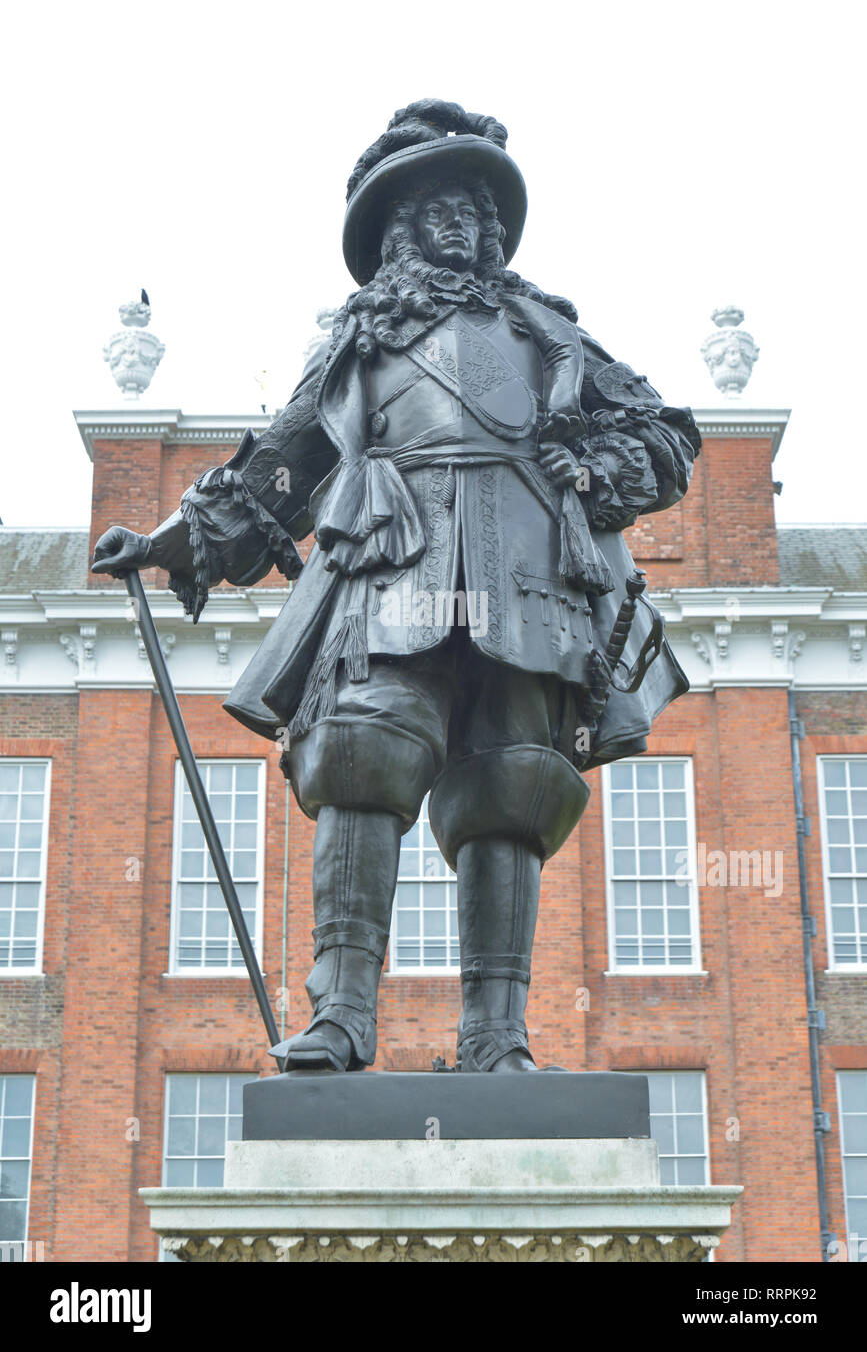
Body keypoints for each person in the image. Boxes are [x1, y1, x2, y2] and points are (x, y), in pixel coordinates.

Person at [93, 100, 701, 1074]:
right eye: (433, 206)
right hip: (391, 553)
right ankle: (341, 1017)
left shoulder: (547, 331)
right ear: (398, 229)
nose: (457, 221)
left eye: (470, 205)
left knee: (515, 781)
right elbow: (284, 462)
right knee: (363, 752)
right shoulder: (361, 339)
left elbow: (665, 431)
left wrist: (601, 471)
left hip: (526, 571)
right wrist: (179, 540)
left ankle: (497, 1038)